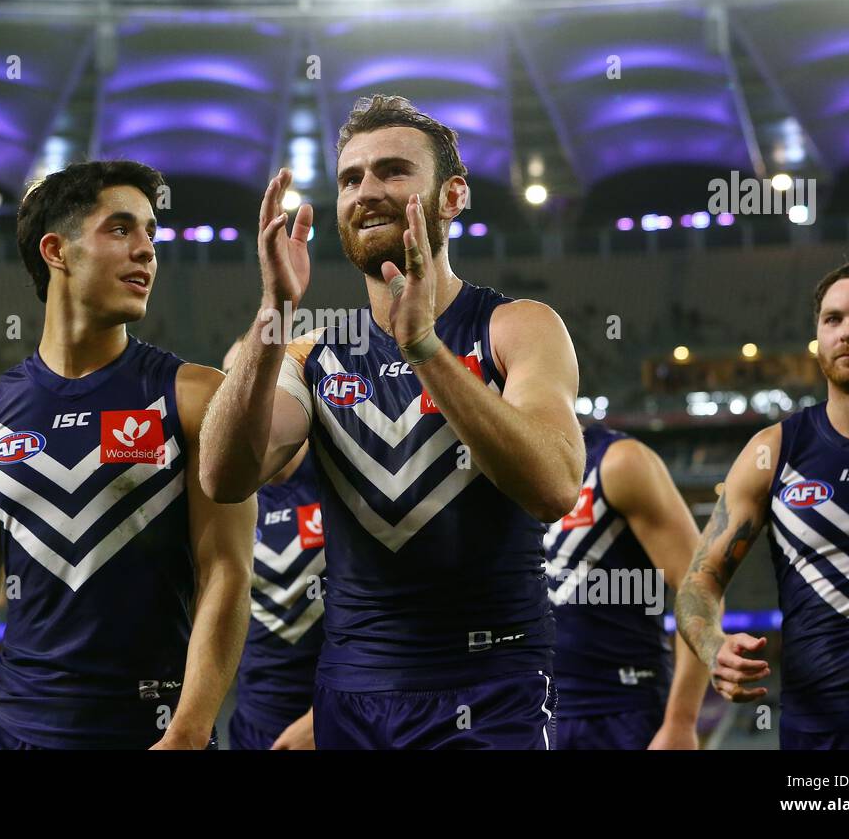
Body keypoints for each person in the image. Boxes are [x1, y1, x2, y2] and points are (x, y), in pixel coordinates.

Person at [199, 95, 584, 749]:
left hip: (493, 684)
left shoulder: (517, 327)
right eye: (351, 179)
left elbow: (552, 487)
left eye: (393, 172)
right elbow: (223, 476)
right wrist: (271, 311)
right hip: (352, 689)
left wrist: (426, 351)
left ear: (453, 196)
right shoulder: (311, 352)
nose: (366, 191)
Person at [0, 160, 255, 749]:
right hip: (12, 734)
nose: (147, 251)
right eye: (121, 230)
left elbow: (225, 572)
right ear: (57, 251)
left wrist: (190, 731)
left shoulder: (198, 397)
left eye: (151, 233)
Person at [676, 262, 849, 749]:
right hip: (812, 729)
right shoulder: (771, 453)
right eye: (833, 319)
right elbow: (698, 583)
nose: (847, 332)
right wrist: (713, 646)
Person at [546, 425, 707, 749]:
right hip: (531, 711)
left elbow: (702, 588)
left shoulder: (620, 462)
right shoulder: (494, 473)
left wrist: (681, 721)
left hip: (623, 709)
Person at [222, 338, 325, 750]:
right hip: (254, 723)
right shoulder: (216, 490)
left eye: (262, 384)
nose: (244, 404)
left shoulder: (344, 474)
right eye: (232, 385)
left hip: (347, 715)